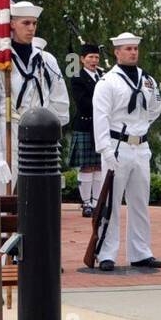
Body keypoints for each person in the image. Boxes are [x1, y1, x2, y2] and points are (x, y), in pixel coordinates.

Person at [0, 1, 70, 195]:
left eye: (34, 23)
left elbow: (61, 103)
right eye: (26, 23)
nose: (31, 29)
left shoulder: (47, 61)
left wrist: (47, 127)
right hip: (9, 135)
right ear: (12, 24)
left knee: (39, 200)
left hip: (41, 140)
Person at [92, 32, 161, 271]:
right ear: (116, 52)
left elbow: (155, 107)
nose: (133, 52)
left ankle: (141, 252)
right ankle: (106, 253)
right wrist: (105, 149)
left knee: (140, 202)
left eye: (135, 48)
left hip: (140, 147)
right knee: (111, 203)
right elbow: (100, 117)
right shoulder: (107, 82)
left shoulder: (147, 80)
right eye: (128, 49)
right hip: (117, 146)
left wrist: (141, 127)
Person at [69, 43, 106, 217]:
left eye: (96, 57)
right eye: (90, 57)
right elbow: (83, 102)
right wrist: (103, 105)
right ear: (82, 59)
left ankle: (97, 202)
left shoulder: (104, 76)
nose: (94, 60)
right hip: (85, 125)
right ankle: (86, 204)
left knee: (99, 166)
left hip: (101, 126)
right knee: (87, 167)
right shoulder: (77, 77)